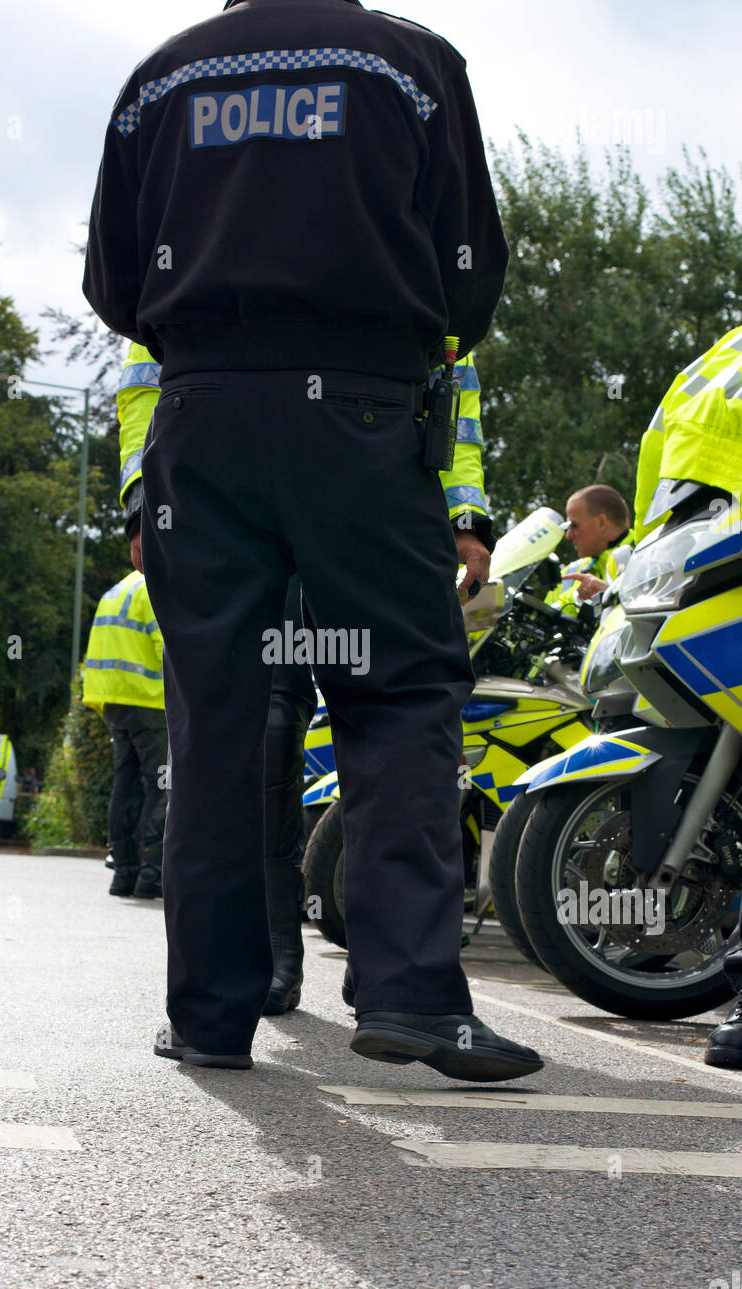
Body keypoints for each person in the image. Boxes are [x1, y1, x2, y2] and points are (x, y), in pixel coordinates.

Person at [84, 0, 542, 1080]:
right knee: (396, 694)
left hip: (201, 425)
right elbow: (469, 264)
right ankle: (410, 995)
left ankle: (208, 1014)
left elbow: (113, 282)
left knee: (217, 720)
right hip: (361, 417)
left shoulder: (161, 75)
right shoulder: (411, 64)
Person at [116, 339, 492, 1014]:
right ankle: (276, 949)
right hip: (250, 482)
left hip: (381, 477)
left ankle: (388, 962)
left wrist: (466, 512)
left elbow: (456, 377)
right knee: (272, 728)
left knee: (394, 716)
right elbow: (146, 366)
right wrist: (143, 490)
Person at [619, 322, 742, 1067]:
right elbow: (652, 456)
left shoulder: (721, 350)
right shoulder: (727, 350)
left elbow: (648, 460)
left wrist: (645, 542)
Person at [83, 571, 168, 899]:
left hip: (113, 701)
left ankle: (123, 871)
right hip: (149, 699)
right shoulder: (155, 586)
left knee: (126, 783)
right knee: (161, 783)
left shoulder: (114, 591)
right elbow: (168, 646)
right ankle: (150, 870)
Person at [545, 484, 633, 613]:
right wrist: (577, 598)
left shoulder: (644, 557)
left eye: (573, 525)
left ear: (601, 523)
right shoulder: (570, 573)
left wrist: (610, 598)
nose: (568, 535)